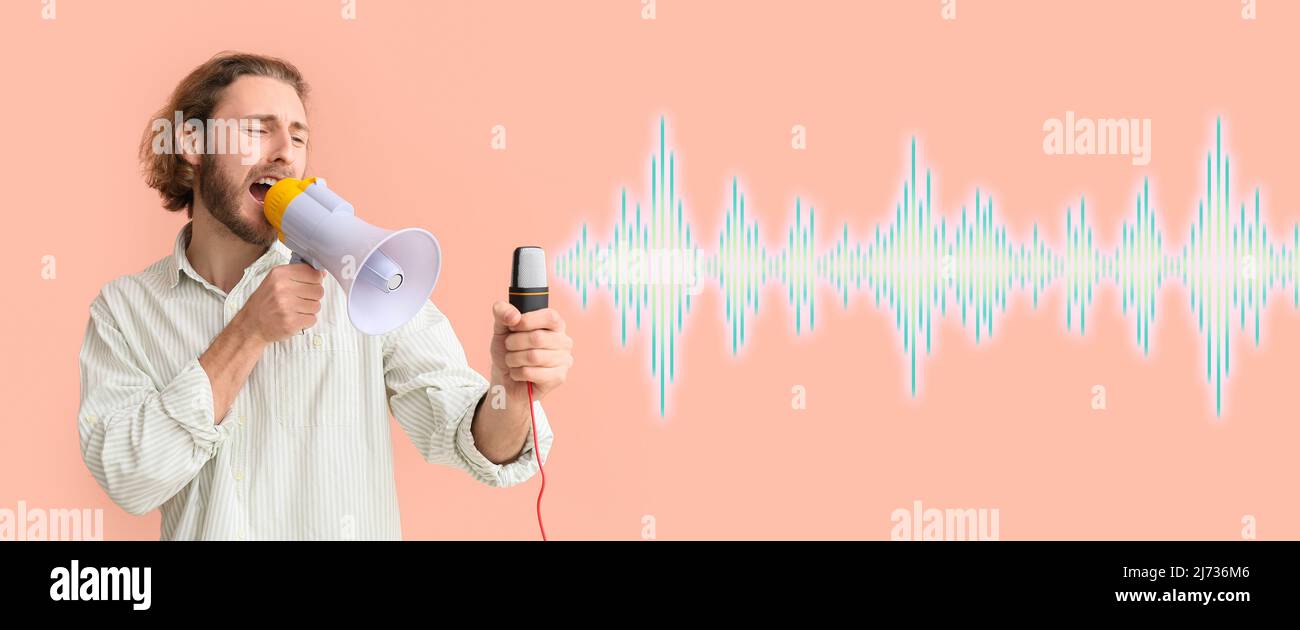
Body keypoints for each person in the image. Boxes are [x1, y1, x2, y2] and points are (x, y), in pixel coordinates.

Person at [76, 52, 572, 540]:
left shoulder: (366, 282)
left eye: (298, 136)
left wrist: (508, 387)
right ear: (192, 142)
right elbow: (129, 479)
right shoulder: (125, 310)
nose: (284, 152)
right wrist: (248, 332)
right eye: (257, 129)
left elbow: (472, 439)